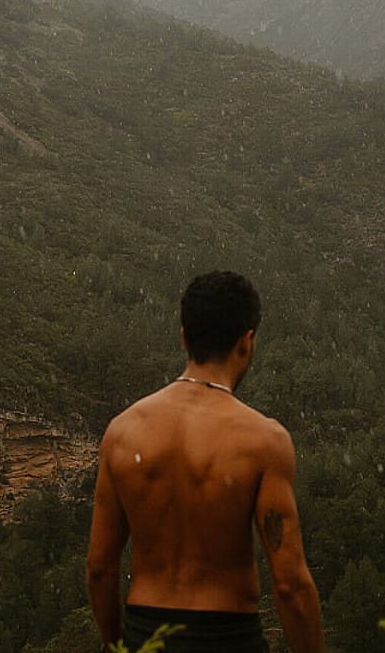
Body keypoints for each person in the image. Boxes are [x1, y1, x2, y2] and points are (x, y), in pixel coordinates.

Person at [87, 271, 324, 653]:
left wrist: (117, 644)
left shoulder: (122, 432)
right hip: (228, 637)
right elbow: (290, 585)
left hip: (145, 633)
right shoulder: (264, 441)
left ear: (184, 337)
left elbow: (100, 567)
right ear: (247, 343)